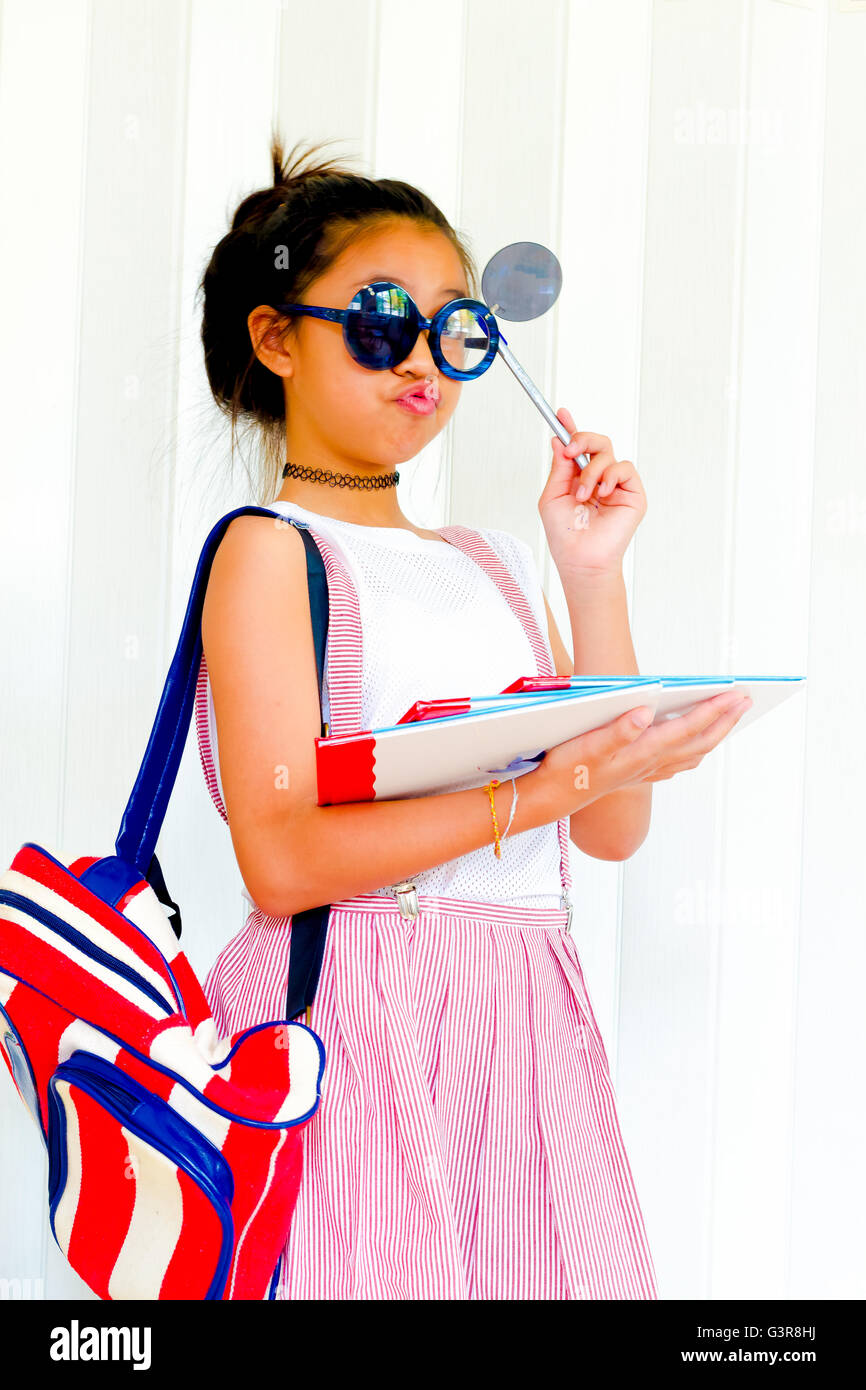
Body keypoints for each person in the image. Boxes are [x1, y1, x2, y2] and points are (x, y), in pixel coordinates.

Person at [194, 133, 752, 1300]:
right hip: (354, 1015)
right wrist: (545, 788)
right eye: (382, 320)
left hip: (518, 1024)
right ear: (275, 334)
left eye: (455, 331)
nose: (424, 364)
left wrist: (590, 572)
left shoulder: (495, 563)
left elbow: (606, 833)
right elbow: (285, 860)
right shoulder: (269, 553)